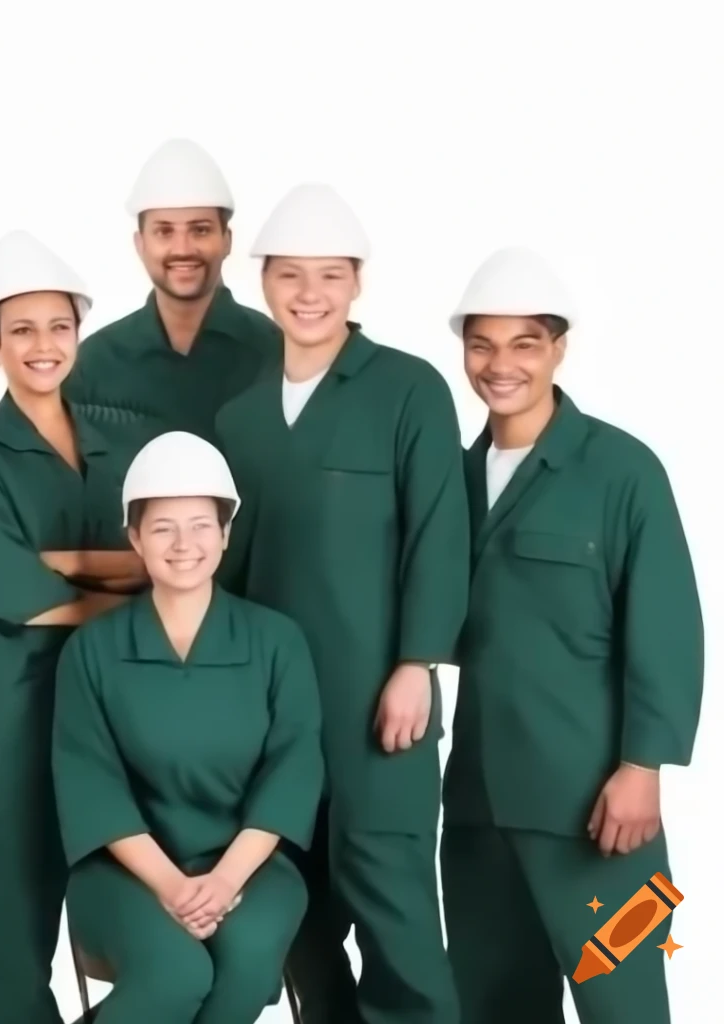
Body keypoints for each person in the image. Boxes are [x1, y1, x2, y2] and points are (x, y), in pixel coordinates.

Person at [215, 183, 469, 1024]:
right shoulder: (239, 417)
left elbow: (439, 534)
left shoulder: (408, 390)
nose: (310, 294)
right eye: (291, 275)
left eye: (330, 275)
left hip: (377, 706)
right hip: (275, 716)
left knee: (393, 905)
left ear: (357, 282)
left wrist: (416, 663)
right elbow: (228, 576)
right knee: (299, 914)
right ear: (264, 284)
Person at [440, 246, 704, 1024]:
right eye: (482, 344)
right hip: (481, 807)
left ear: (559, 348)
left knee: (626, 1001)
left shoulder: (622, 472)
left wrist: (642, 766)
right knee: (493, 1005)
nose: (500, 365)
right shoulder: (454, 478)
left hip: (599, 809)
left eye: (524, 343)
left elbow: (669, 626)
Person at [52, 430, 324, 1023]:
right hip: (123, 873)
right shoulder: (92, 651)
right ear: (134, 537)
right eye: (163, 527)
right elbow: (91, 787)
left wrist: (224, 881)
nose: (183, 545)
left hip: (248, 865)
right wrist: (172, 887)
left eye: (201, 525)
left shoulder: (276, 641)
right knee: (175, 974)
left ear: (226, 533)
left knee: (246, 960)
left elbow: (293, 771)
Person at [0, 230, 144, 1024]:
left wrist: (59, 565)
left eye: (58, 327)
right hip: (14, 713)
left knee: (137, 908)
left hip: (116, 708)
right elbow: (4, 591)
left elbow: (170, 562)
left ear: (79, 335)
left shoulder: (121, 444)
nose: (42, 345)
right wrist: (118, 579)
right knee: (11, 919)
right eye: (20, 330)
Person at [64, 137, 281, 447]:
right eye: (164, 231)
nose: (182, 249)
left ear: (227, 240)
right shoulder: (95, 363)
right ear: (140, 244)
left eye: (200, 230)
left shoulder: (276, 354)